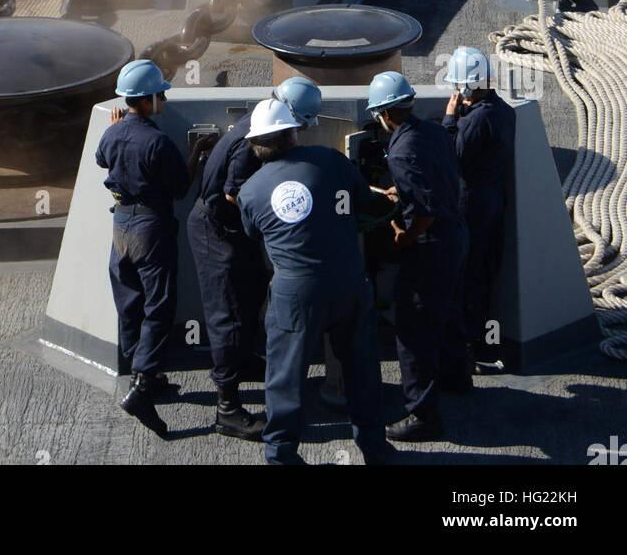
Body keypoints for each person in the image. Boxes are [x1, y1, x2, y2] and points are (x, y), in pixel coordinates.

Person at [237, 97, 395, 466]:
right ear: (292, 134)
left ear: (255, 143)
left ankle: (281, 455)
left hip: (295, 292)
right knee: (361, 369)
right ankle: (374, 447)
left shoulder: (251, 191)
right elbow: (362, 203)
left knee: (285, 377)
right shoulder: (331, 160)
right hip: (347, 281)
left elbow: (254, 233)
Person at [187, 75, 323, 441]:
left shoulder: (261, 120)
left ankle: (245, 360)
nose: (300, 132)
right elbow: (234, 195)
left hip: (235, 232)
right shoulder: (253, 142)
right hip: (217, 232)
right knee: (228, 315)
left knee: (250, 295)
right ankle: (227, 409)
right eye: (299, 125)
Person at [95, 59, 215, 438]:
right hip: (151, 230)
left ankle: (143, 372)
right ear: (146, 101)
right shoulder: (158, 142)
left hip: (121, 227)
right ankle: (144, 386)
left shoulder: (112, 133)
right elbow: (180, 188)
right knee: (158, 307)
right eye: (160, 94)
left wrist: (115, 129)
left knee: (129, 302)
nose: (164, 99)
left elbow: (101, 159)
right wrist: (197, 152)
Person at [366, 72, 468, 442]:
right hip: (456, 236)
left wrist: (402, 238)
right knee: (449, 310)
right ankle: (458, 378)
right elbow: (438, 176)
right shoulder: (435, 132)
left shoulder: (400, 151)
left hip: (429, 247)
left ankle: (423, 416)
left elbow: (424, 213)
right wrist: (403, 190)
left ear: (384, 114)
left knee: (414, 331)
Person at [443, 46, 516, 364]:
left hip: (470, 205)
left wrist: (450, 119)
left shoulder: (476, 120)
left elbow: (450, 157)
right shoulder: (503, 111)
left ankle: (470, 347)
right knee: (485, 274)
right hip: (493, 200)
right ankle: (487, 345)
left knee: (466, 276)